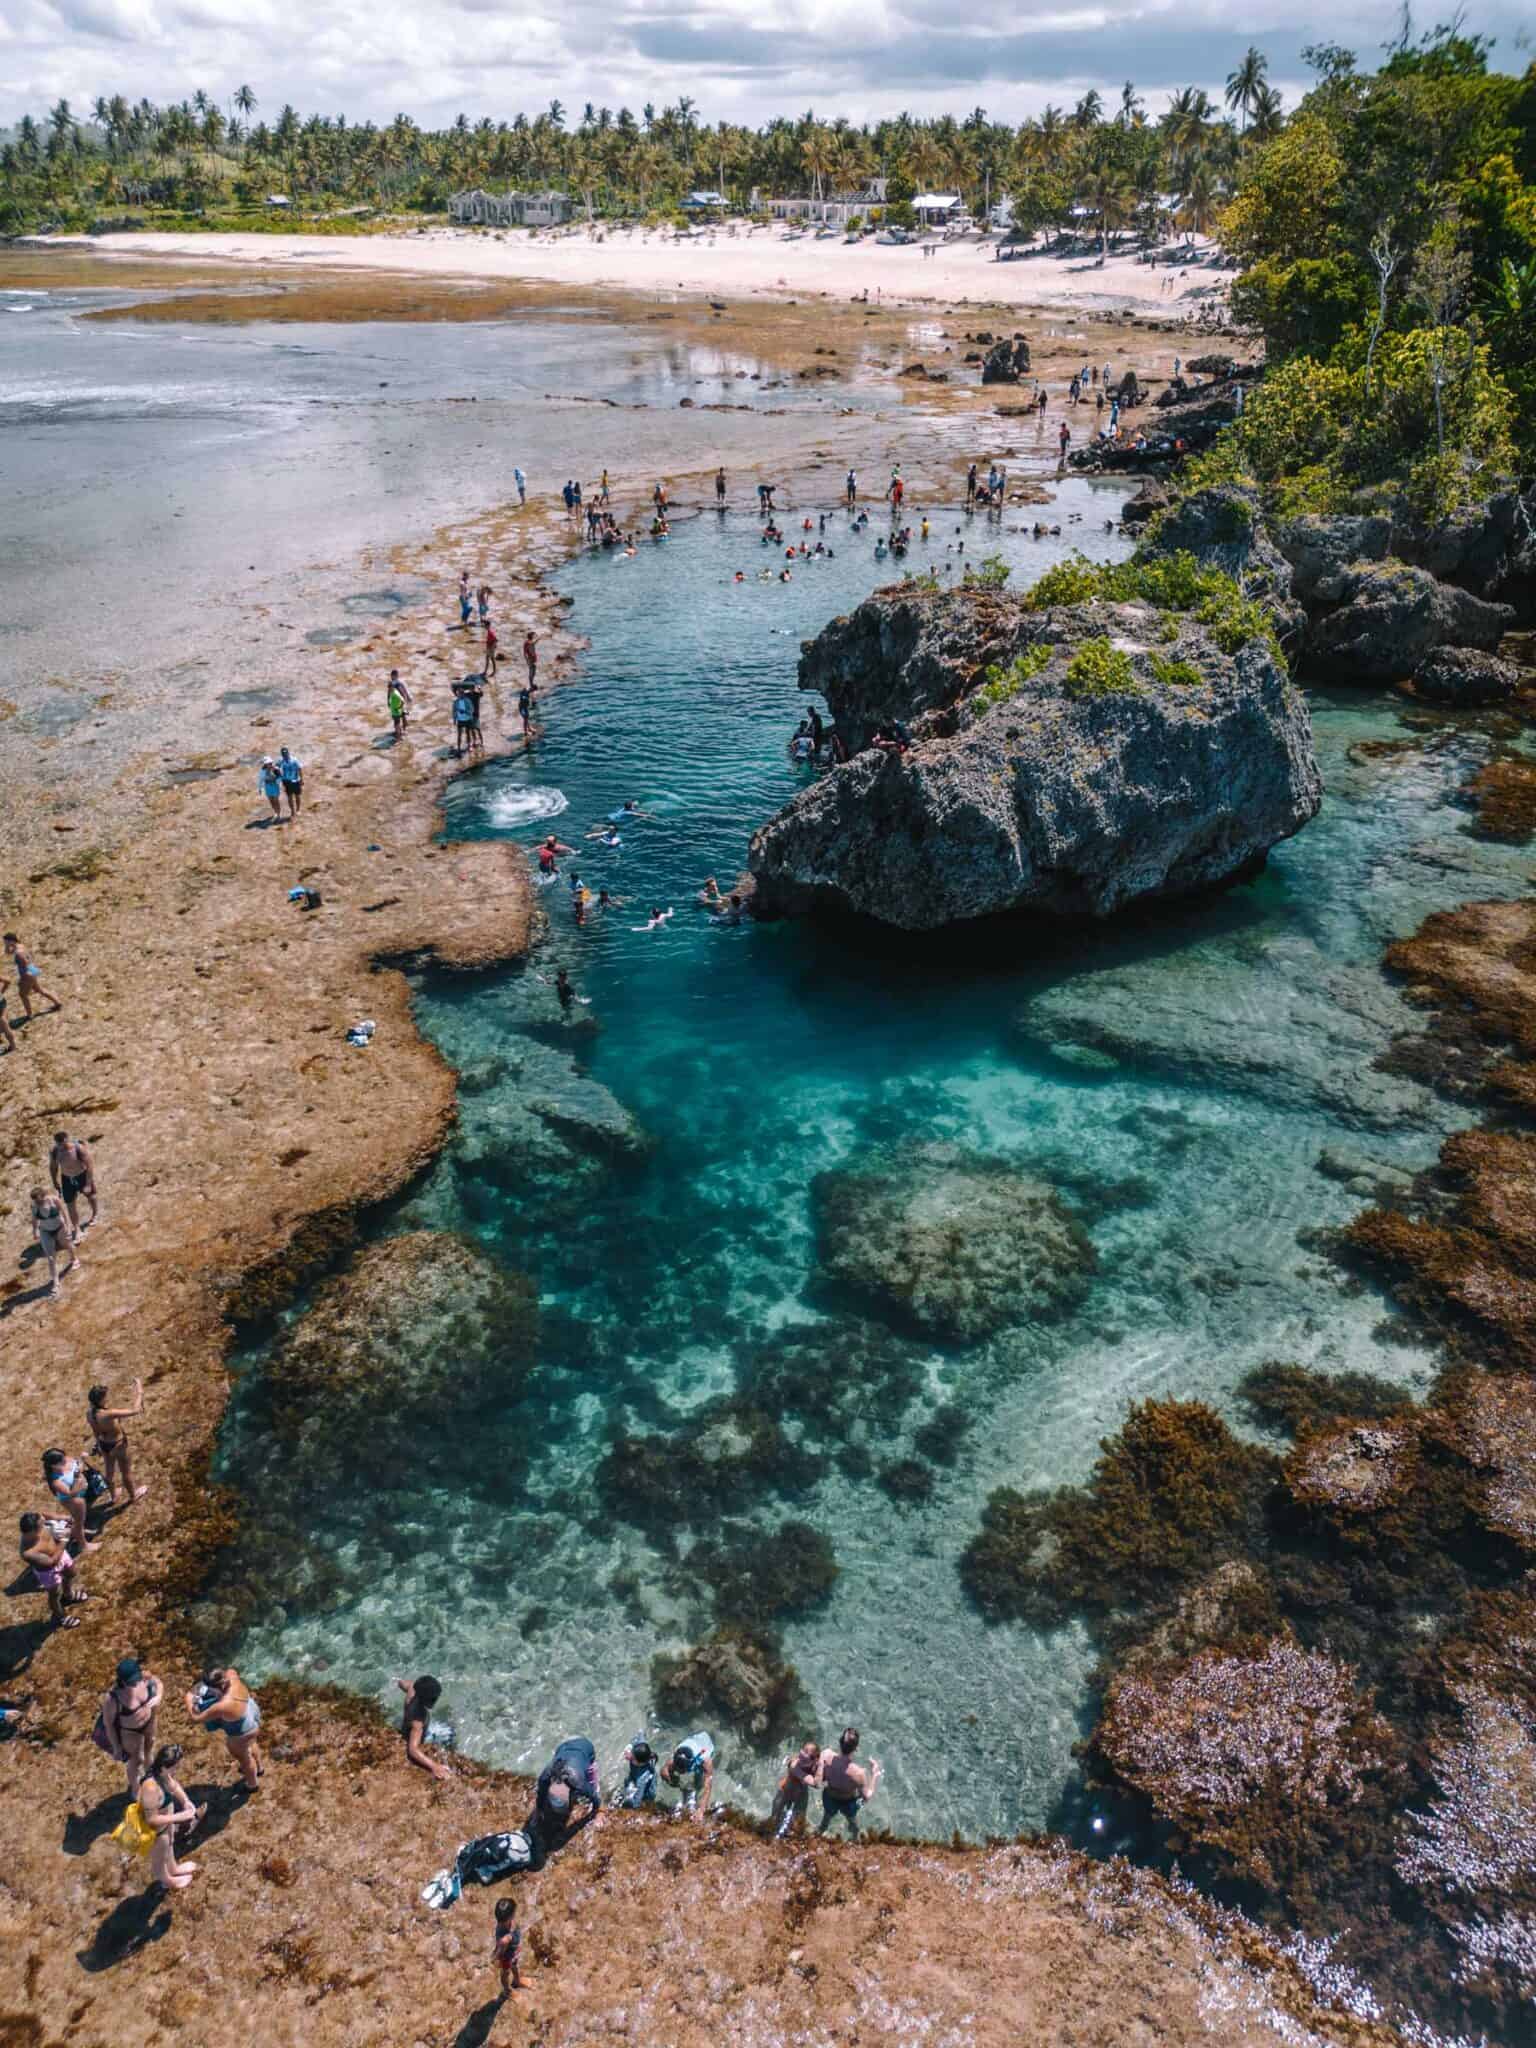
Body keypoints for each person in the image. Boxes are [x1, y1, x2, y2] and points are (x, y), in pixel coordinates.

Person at [185, 1667, 264, 1791]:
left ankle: (252, 1785)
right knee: (251, 1743)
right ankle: (260, 1768)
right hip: (251, 1712)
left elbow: (196, 1718)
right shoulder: (231, 1674)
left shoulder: (222, 1706)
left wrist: (190, 1699)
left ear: (216, 1688)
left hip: (242, 1731)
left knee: (245, 1760)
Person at [138, 1746, 201, 1890]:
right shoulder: (150, 1788)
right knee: (159, 1860)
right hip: (156, 1831)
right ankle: (167, 1881)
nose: (177, 1770)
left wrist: (185, 1801)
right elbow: (151, 1819)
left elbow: (173, 1786)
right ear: (164, 1766)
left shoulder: (163, 1774)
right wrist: (180, 1816)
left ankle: (174, 1869)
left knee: (169, 1845)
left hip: (167, 1823)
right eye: (176, 1767)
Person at [103, 1658, 164, 1798]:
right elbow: (109, 1725)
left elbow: (159, 1683)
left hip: (149, 1721)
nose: (137, 1682)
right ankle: (135, 1789)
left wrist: (159, 1696)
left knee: (149, 1750)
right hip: (130, 1731)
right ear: (122, 1682)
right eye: (132, 1681)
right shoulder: (112, 1699)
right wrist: (116, 1747)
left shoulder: (144, 1676)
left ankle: (150, 1776)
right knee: (136, 1760)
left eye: (137, 1678)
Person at [532, 1735, 601, 1848]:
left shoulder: (581, 1785)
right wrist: (539, 1810)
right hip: (565, 1745)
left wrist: (597, 1811)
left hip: (586, 1749)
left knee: (592, 1778)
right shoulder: (546, 1776)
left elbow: (595, 1798)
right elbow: (540, 1794)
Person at [88, 1379, 147, 1506]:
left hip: (104, 1445)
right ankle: (133, 1496)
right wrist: (140, 1391)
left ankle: (114, 1496)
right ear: (100, 1400)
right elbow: (135, 1410)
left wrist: (98, 1445)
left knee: (108, 1473)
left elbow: (96, 1432)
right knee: (126, 1472)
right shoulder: (108, 1413)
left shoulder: (89, 1413)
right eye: (105, 1397)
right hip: (118, 1445)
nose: (107, 1398)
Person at [21, 1512, 85, 1626]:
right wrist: (65, 1539)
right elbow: (51, 1562)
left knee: (71, 1573)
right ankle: (61, 1617)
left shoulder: (36, 1520)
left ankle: (68, 1595)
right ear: (33, 1531)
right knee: (54, 1594)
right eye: (42, 1526)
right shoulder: (27, 1553)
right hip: (48, 1571)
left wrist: (66, 1517)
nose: (45, 1525)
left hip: (61, 1554)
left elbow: (47, 1516)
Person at [818, 1726, 881, 1838]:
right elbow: (866, 1797)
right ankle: (855, 1836)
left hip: (829, 1797)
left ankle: (820, 1831)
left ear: (840, 1742)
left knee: (826, 1818)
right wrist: (874, 1774)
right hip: (849, 1803)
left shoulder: (825, 1755)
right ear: (856, 1748)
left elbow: (818, 1775)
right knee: (853, 1820)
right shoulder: (859, 1773)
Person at [43, 1448, 101, 1557]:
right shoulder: (56, 1481)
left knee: (80, 1520)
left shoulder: (65, 1459)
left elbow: (78, 1465)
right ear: (53, 1466)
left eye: (64, 1458)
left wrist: (82, 1461)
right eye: (62, 1461)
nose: (65, 1461)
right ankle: (83, 1546)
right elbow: (70, 1493)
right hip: (73, 1501)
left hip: (81, 1496)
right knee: (78, 1522)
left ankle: (79, 1532)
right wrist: (76, 1478)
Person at [396, 1674, 450, 1782]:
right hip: (417, 1737)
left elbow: (402, 1683)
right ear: (427, 1700)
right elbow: (413, 1750)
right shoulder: (418, 1720)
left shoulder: (412, 1690)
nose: (436, 1700)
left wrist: (399, 1681)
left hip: (407, 1726)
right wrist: (434, 1766)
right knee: (450, 1735)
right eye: (434, 1699)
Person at [31, 1184, 78, 1296]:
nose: (38, 1203)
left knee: (67, 1244)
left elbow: (64, 1212)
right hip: (45, 1231)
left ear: (44, 1195)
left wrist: (68, 1225)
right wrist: (35, 1231)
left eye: (39, 1200)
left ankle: (74, 1258)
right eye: (35, 1200)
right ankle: (55, 1282)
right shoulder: (34, 1206)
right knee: (51, 1257)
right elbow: (34, 1219)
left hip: (59, 1227)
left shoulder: (54, 1200)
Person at [49, 1130, 98, 1235]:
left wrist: (88, 1184)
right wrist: (55, 1181)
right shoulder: (55, 1151)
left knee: (91, 1196)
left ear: (67, 1139)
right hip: (67, 1178)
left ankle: (95, 1215)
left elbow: (89, 1165)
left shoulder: (78, 1148)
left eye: (63, 1143)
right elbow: (53, 1167)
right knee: (70, 1204)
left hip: (82, 1175)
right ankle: (76, 1228)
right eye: (58, 1144)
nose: (61, 1146)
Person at [772, 1738, 823, 1838]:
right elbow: (816, 1784)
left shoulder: (812, 1764)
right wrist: (821, 1765)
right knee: (775, 1815)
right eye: (804, 1750)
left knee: (799, 1819)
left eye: (810, 1754)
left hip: (801, 1793)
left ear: (815, 1758)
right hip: (785, 1791)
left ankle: (792, 1833)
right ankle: (774, 1831)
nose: (803, 1754)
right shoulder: (794, 1765)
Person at [660, 1733, 715, 1820]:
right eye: (678, 1769)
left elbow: (707, 1788)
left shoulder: (705, 1761)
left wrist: (701, 1810)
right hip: (693, 1741)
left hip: (706, 1744)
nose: (680, 1772)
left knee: (699, 1781)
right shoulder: (676, 1755)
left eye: (682, 1770)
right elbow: (664, 1771)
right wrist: (674, 1782)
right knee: (670, 1773)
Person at [5, 934, 59, 1018]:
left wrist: (22, 979)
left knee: (22, 995)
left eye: (6, 941)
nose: (5, 943)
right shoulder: (20, 946)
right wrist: (7, 946)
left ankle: (29, 1015)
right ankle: (57, 1003)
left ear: (11, 940)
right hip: (33, 971)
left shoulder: (18, 952)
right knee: (40, 990)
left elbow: (25, 963)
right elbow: (8, 952)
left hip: (27, 975)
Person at [493, 1896, 526, 1998]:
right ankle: (507, 1990)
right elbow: (500, 1952)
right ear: (509, 1918)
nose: (515, 1915)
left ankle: (517, 1980)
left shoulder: (509, 1923)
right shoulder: (505, 1938)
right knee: (505, 1973)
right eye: (514, 1914)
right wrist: (497, 1958)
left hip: (513, 1952)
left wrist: (517, 1947)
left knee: (515, 1966)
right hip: (507, 1957)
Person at [620, 1735, 659, 1807]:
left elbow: (636, 1801)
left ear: (640, 1763)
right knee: (627, 1782)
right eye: (632, 1753)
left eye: (632, 1758)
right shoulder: (642, 1748)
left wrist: (627, 1804)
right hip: (637, 1773)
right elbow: (640, 1734)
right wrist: (630, 1746)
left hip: (648, 1791)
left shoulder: (641, 1779)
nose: (630, 1756)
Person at [277, 746, 303, 819]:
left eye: (286, 753)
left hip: (296, 780)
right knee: (289, 797)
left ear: (288, 752)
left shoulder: (294, 759)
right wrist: (279, 775)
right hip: (287, 781)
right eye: (283, 754)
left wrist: (301, 779)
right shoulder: (280, 761)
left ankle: (298, 810)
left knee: (297, 796)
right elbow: (276, 769)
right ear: (281, 754)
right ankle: (292, 811)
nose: (285, 755)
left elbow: (299, 768)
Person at [387, 669, 411, 737]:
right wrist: (407, 698)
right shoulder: (399, 682)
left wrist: (388, 701)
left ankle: (399, 732)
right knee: (403, 716)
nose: (392, 677)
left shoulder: (393, 684)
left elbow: (389, 693)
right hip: (401, 701)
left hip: (398, 703)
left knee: (397, 719)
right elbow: (404, 690)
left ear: (393, 675)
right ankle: (404, 729)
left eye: (392, 676)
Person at [452, 690, 476, 757]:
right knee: (459, 735)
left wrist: (465, 711)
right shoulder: (455, 702)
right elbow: (453, 711)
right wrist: (454, 719)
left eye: (459, 694)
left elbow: (472, 709)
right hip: (460, 720)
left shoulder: (467, 701)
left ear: (463, 694)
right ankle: (459, 748)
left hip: (467, 719)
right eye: (457, 694)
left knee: (468, 733)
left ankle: (469, 746)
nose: (458, 695)